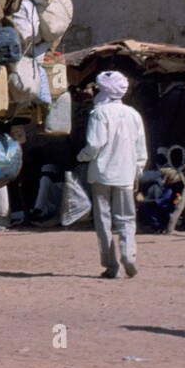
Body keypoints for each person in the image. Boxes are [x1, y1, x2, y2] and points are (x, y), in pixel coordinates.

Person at [75, 70, 147, 278]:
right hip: (126, 174)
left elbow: (95, 144)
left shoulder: (99, 113)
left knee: (103, 220)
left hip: (102, 174)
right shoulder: (134, 115)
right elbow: (140, 149)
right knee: (126, 218)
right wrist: (137, 171)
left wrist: (81, 157)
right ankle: (128, 255)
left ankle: (111, 265)